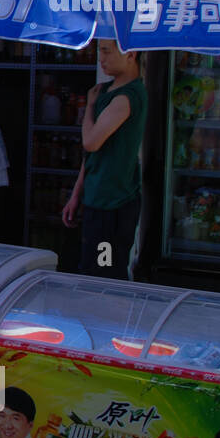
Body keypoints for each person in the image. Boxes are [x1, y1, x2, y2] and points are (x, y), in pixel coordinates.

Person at [62, 40, 147, 279]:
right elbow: (91, 155)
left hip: (114, 203)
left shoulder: (127, 97)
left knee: (106, 271)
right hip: (96, 197)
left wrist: (89, 107)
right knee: (90, 268)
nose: (102, 59)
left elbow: (91, 142)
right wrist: (77, 195)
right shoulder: (106, 91)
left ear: (131, 53)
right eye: (100, 51)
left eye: (107, 52)